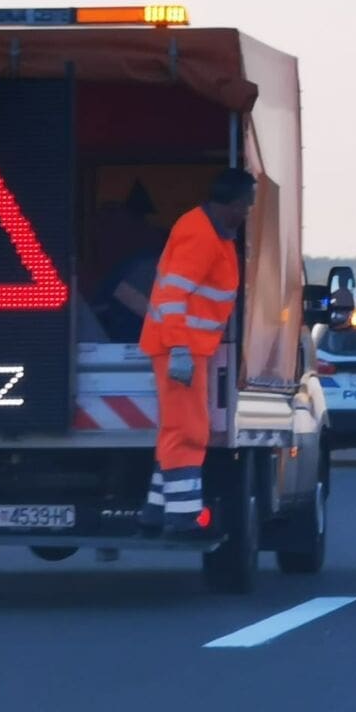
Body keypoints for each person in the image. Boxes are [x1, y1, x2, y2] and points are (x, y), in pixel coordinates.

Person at [137, 168, 257, 539]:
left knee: (178, 429)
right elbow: (173, 296)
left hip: (186, 347)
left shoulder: (209, 232)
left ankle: (156, 513)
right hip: (180, 348)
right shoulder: (200, 235)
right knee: (187, 431)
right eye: (247, 205)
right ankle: (183, 518)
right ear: (235, 204)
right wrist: (178, 348)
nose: (248, 213)